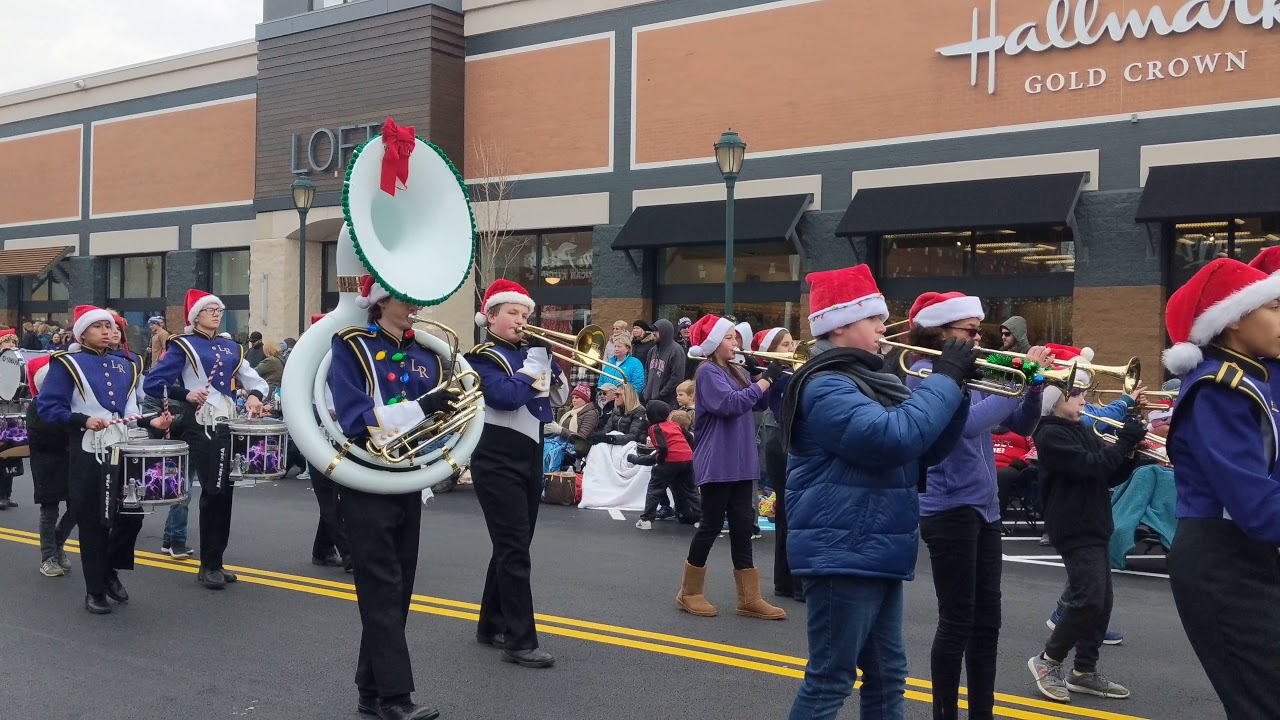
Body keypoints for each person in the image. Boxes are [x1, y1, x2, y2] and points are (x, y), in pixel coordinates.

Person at [782, 265, 973, 720]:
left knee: (888, 678)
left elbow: (925, 448)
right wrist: (945, 379)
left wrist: (958, 389)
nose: (884, 328)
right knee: (831, 679)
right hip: (843, 547)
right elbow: (894, 438)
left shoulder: (870, 380)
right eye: (874, 319)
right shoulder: (826, 384)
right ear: (839, 325)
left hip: (873, 545)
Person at [904, 292, 1048, 720]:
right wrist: (1017, 379)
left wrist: (1033, 388)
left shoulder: (970, 369)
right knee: (956, 621)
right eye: (969, 331)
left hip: (984, 507)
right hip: (948, 507)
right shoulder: (922, 372)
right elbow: (967, 426)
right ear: (939, 332)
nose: (978, 339)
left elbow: (1020, 425)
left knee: (988, 622)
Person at [327, 276, 454, 720]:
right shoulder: (352, 345)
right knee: (381, 588)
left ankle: (371, 691)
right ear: (380, 301)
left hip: (408, 475)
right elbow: (355, 418)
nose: (416, 304)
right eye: (406, 297)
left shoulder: (427, 354)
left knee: (399, 588)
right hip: (366, 476)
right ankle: (396, 699)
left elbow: (441, 418)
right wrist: (423, 408)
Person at [1160, 258, 1280, 718]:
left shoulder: (1255, 378)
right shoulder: (1218, 390)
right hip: (1221, 561)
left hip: (1245, 553)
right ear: (1233, 318)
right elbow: (1258, 508)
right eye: (1274, 307)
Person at [38, 305, 173, 613]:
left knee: (132, 516)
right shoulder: (67, 363)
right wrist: (82, 420)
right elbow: (49, 408)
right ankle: (95, 590)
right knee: (93, 522)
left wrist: (153, 422)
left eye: (109, 326)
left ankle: (109, 568)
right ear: (82, 333)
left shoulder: (126, 364)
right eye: (98, 326)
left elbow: (131, 411)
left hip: (122, 449)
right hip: (89, 452)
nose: (107, 331)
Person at [466, 279, 567, 669]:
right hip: (496, 457)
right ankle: (520, 640)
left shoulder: (531, 355)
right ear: (490, 317)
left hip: (530, 454)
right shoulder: (480, 358)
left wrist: (551, 365)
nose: (521, 320)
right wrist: (536, 365)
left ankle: (491, 625)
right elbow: (505, 398)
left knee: (514, 544)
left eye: (525, 314)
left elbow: (558, 399)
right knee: (513, 549)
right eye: (512, 312)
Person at [1028, 366, 1141, 702]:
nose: (1083, 400)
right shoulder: (1050, 434)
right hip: (1073, 524)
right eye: (1075, 394)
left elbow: (1108, 473)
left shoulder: (1080, 429)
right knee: (1088, 597)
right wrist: (1125, 441)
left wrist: (1131, 449)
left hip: (1095, 521)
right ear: (1055, 401)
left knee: (1102, 602)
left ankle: (1084, 671)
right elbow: (1093, 466)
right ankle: (1048, 660)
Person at [144, 289, 269, 590]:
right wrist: (185, 394)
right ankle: (208, 565)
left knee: (225, 493)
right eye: (209, 310)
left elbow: (256, 381)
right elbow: (153, 383)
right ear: (195, 316)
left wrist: (254, 396)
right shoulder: (183, 344)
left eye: (219, 310)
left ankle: (217, 560)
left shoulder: (231, 346)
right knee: (212, 492)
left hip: (227, 423)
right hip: (200, 423)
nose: (216, 314)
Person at [675, 314, 786, 621]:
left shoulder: (735, 369)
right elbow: (730, 404)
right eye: (728, 337)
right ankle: (689, 592)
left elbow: (759, 404)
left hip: (740, 459)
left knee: (742, 525)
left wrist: (760, 376)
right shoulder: (707, 371)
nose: (735, 342)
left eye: (735, 337)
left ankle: (749, 597)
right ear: (713, 344)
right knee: (711, 524)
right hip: (719, 459)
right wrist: (764, 381)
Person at [24, 353, 77, 576]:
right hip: (46, 464)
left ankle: (58, 542)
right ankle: (48, 557)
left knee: (77, 507)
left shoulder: (70, 403)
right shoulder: (37, 406)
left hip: (70, 462)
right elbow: (41, 437)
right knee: (49, 511)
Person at [630, 400, 699, 529]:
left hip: (669, 460)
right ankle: (703, 518)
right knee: (691, 490)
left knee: (655, 488)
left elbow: (662, 446)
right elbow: (689, 437)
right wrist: (688, 451)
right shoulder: (675, 425)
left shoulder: (654, 428)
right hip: (687, 459)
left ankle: (646, 520)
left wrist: (660, 460)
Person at [0, 329, 22, 509]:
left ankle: (6, 494)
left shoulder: (16, 364)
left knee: (11, 455)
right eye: (8, 342)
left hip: (12, 413)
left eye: (14, 343)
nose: (12, 346)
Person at [641, 319, 686, 407]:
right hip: (650, 401)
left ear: (664, 332)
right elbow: (647, 373)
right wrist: (646, 391)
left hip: (667, 403)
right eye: (653, 331)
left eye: (656, 331)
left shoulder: (676, 351)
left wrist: (661, 395)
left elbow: (676, 378)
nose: (653, 333)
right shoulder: (652, 351)